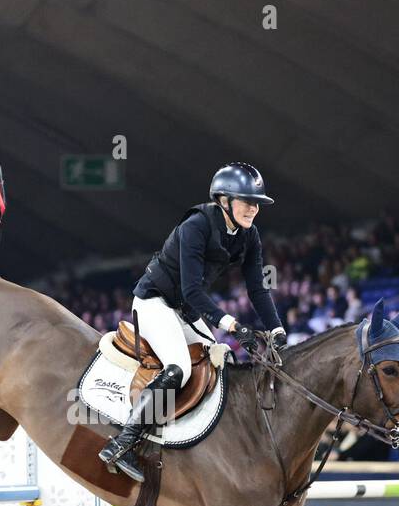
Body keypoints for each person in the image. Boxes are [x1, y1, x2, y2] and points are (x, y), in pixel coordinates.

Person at [100, 163, 284, 481]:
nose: (253, 209)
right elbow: (192, 289)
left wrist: (277, 329)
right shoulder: (196, 225)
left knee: (218, 362)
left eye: (256, 203)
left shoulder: (249, 235)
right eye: (246, 201)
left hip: (184, 309)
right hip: (155, 302)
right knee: (179, 368)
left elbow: (257, 288)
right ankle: (122, 444)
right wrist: (233, 327)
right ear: (224, 200)